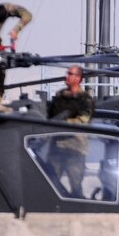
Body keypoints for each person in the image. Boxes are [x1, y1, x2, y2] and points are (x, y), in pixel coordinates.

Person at [46, 66, 94, 197]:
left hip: (75, 149)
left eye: (70, 74)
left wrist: (64, 122)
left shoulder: (85, 99)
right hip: (57, 146)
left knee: (76, 187)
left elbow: (84, 120)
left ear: (78, 78)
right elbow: (50, 116)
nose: (66, 76)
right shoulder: (60, 95)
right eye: (67, 73)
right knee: (49, 184)